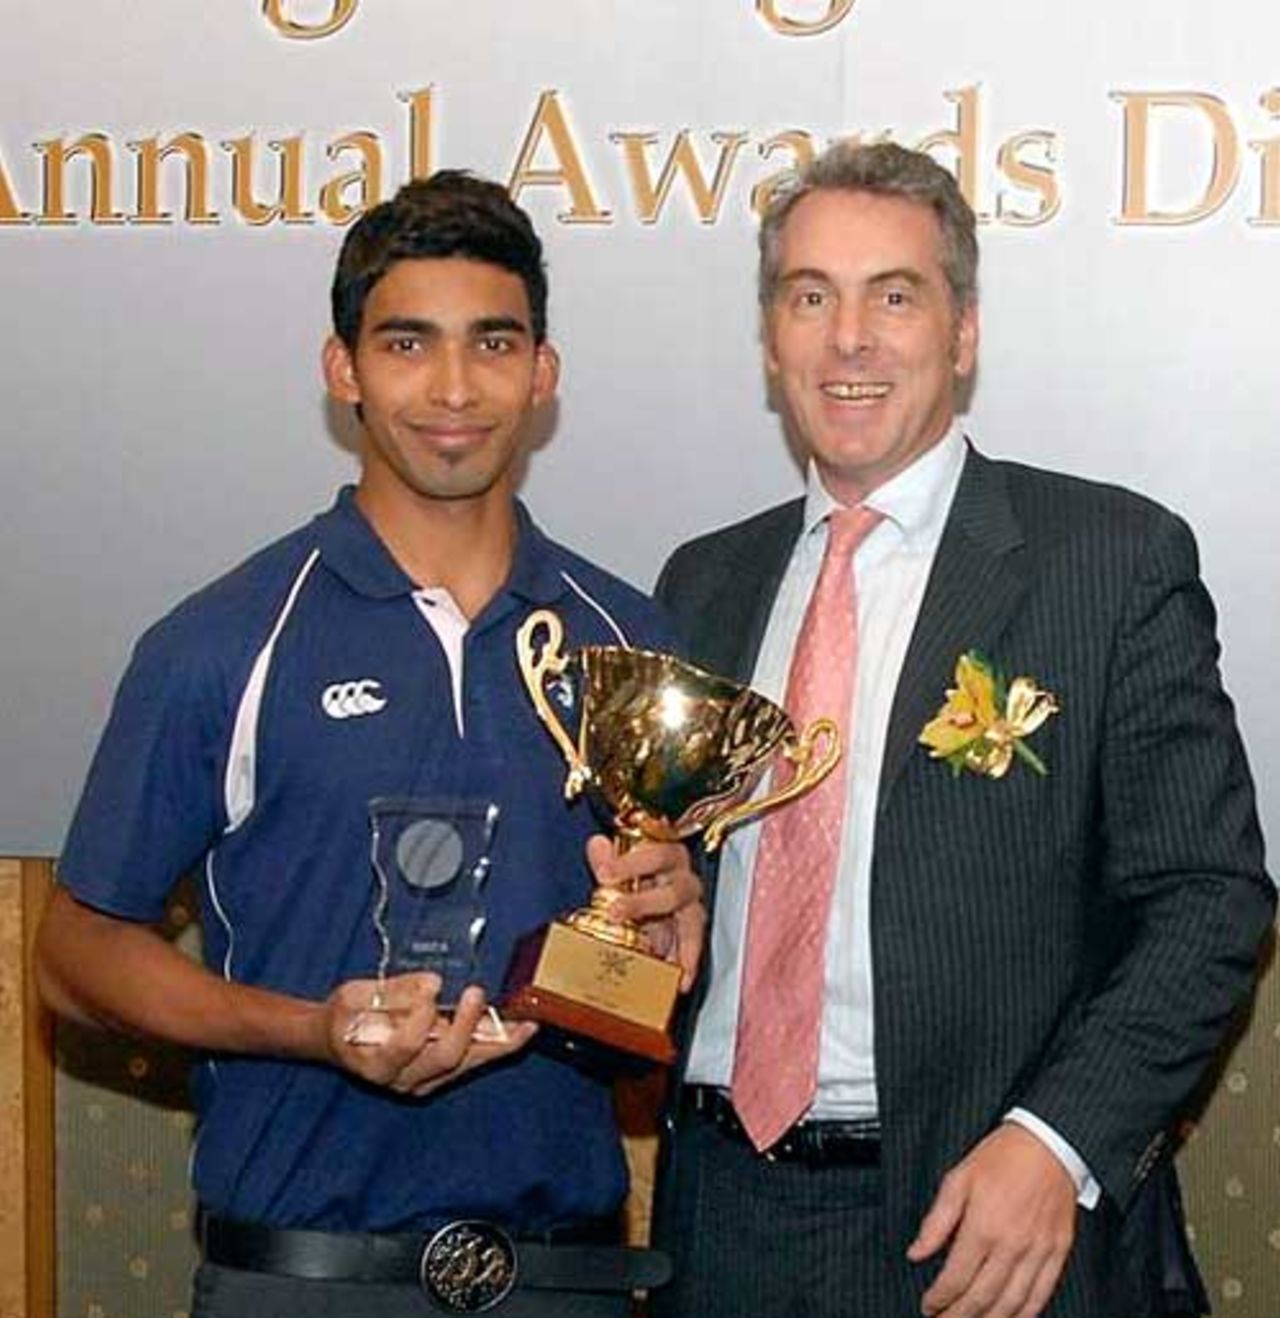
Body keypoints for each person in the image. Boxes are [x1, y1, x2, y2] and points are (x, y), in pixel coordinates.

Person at [35, 171, 703, 1318]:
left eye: (492, 342)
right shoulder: (223, 642)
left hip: (563, 1279)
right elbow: (74, 952)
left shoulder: (625, 642)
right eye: (407, 343)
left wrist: (674, 938)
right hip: (300, 1278)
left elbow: (655, 1000)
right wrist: (311, 1028)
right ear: (342, 369)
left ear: (541, 373)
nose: (454, 387)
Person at [651, 141, 1275, 1318]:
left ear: (963, 331)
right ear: (771, 339)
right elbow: (671, 887)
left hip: (980, 1223)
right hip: (715, 1220)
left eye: (893, 294)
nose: (849, 339)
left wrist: (1056, 1141)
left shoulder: (1104, 561)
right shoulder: (702, 583)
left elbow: (1207, 894)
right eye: (808, 296)